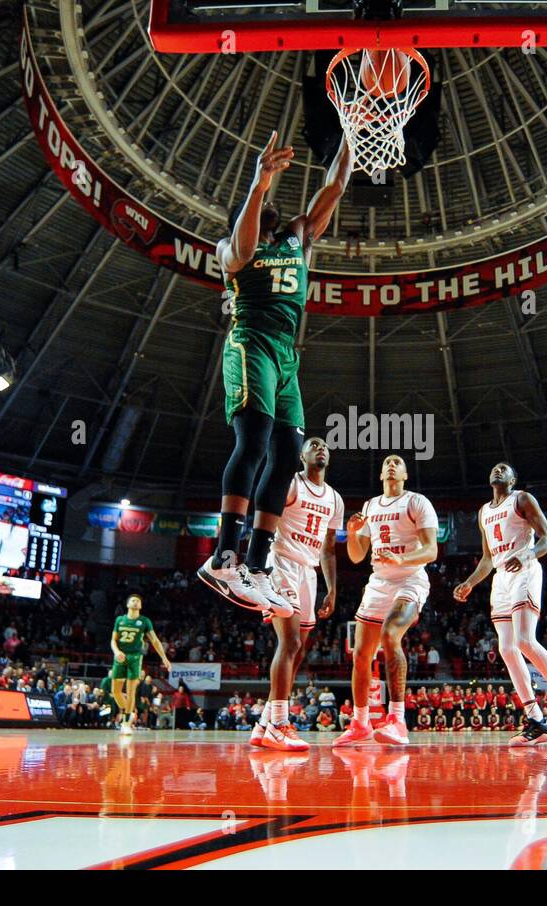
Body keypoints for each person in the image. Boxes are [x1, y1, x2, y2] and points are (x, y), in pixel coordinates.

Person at [197, 132, 352, 613]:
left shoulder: (297, 234)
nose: (270, 209)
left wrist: (350, 129)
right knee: (254, 442)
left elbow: (336, 185)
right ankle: (223, 555)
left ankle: (257, 566)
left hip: (286, 355)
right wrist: (258, 182)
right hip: (251, 345)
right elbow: (241, 248)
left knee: (287, 457)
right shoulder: (231, 246)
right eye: (262, 206)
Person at [453, 462, 547, 746]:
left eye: (505, 469)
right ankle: (537, 720)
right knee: (506, 648)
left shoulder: (522, 499)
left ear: (513, 479)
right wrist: (469, 583)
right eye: (495, 468)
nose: (498, 470)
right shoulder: (483, 512)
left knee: (525, 641)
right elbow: (488, 559)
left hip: (525, 571)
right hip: (501, 578)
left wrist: (527, 555)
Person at [333, 454, 439, 747]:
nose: (391, 465)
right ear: (381, 475)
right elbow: (356, 556)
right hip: (378, 582)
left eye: (397, 462)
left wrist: (401, 558)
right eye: (387, 463)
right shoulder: (369, 506)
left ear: (405, 474)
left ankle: (397, 720)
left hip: (409, 579)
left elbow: (431, 551)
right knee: (361, 655)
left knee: (391, 635)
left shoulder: (417, 502)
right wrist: (353, 535)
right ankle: (360, 722)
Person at [249, 437, 343, 752]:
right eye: (313, 444)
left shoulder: (334, 498)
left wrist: (332, 588)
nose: (321, 448)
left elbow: (329, 550)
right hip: (281, 563)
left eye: (325, 446)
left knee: (299, 648)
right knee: (289, 642)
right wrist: (257, 567)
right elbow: (262, 521)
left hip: (309, 572)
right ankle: (278, 723)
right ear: (301, 455)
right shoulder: (291, 484)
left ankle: (264, 721)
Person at [108, 594, 170, 735]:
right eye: (133, 600)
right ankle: (129, 711)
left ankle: (126, 722)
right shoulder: (120, 620)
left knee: (131, 692)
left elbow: (154, 640)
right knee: (116, 691)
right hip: (120, 656)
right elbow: (113, 640)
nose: (136, 602)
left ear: (140, 606)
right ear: (128, 604)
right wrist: (116, 651)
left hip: (135, 657)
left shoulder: (144, 621)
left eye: (138, 601)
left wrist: (164, 658)